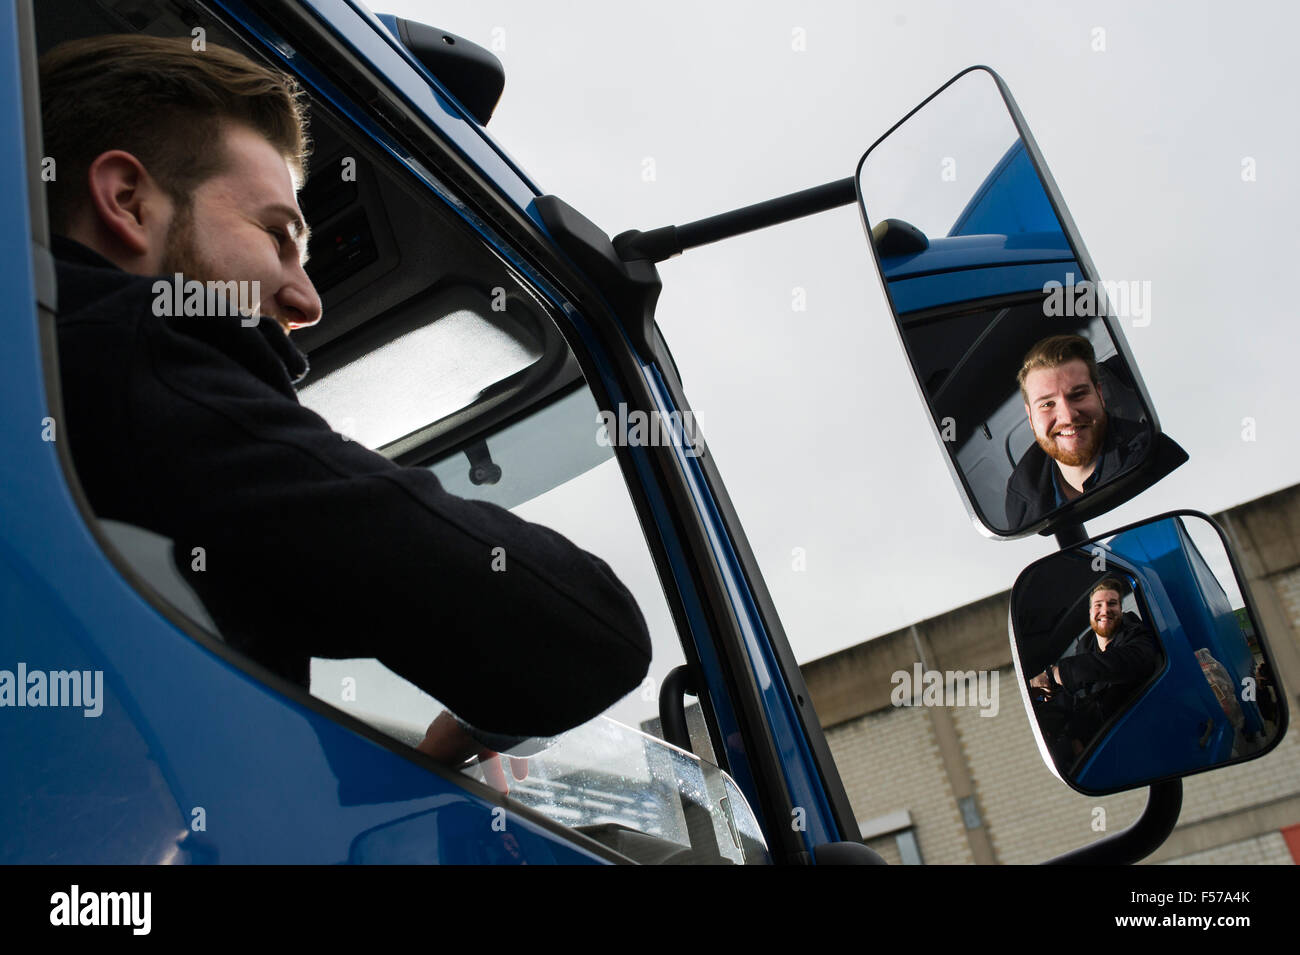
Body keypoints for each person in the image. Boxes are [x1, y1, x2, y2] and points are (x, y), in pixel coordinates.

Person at [40, 35, 651, 768]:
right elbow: (592, 636)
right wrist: (480, 727)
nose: (306, 300)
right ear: (128, 201)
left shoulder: (62, 371)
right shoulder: (139, 360)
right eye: (276, 236)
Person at [1004, 334, 1149, 528]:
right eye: (1047, 404)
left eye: (1078, 395)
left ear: (1099, 394)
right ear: (1031, 418)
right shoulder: (1020, 501)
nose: (1068, 416)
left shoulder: (1146, 453)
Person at [1030, 577, 1160, 757]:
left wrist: (1057, 673)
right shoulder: (1083, 651)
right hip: (1101, 751)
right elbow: (1073, 701)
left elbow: (1125, 663)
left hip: (1140, 740)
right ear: (1090, 612)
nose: (1105, 610)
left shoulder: (1137, 639)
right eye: (1098, 605)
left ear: (1121, 610)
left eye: (1112, 603)